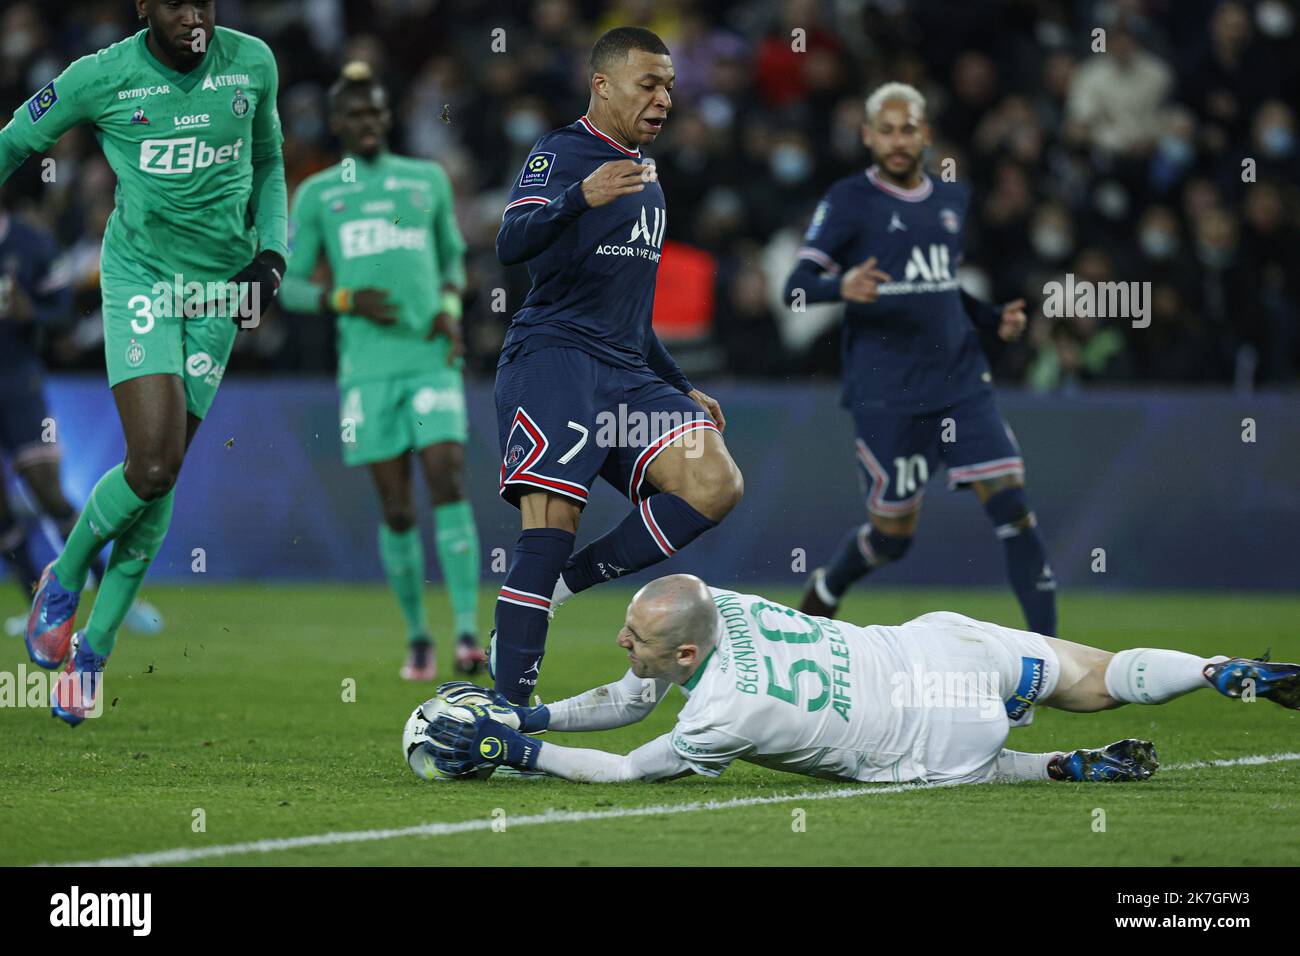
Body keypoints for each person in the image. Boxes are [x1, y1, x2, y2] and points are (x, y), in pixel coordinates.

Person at [0, 0, 287, 724]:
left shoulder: (253, 62)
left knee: (160, 486)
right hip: (143, 280)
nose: (194, 13)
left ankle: (91, 655)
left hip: (219, 293)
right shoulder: (101, 76)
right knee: (152, 462)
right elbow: (11, 142)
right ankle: (61, 581)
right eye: (176, 1)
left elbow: (269, 161)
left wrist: (273, 253)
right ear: (143, 8)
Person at [427, 574, 1298, 784]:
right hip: (944, 649)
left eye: (634, 634)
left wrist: (518, 747)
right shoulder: (715, 603)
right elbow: (632, 692)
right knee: (1101, 676)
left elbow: (624, 765)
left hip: (939, 726)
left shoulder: (727, 711)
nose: (621, 638)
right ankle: (1215, 668)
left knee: (938, 762)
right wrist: (536, 709)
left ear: (687, 655)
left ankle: (1058, 768)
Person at [491, 27, 743, 704]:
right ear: (602, 84)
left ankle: (566, 586)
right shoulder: (564, 152)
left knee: (714, 482)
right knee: (548, 529)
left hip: (627, 372)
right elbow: (509, 242)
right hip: (555, 357)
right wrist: (580, 197)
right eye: (647, 84)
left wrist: (677, 383)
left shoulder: (647, 182)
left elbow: (630, 314)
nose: (662, 99)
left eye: (669, 86)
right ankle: (509, 712)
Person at [783, 82, 1055, 635]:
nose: (898, 140)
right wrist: (841, 287)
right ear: (867, 136)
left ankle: (1048, 662)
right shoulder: (847, 200)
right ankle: (830, 585)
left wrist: (989, 316)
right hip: (888, 395)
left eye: (909, 129)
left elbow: (941, 286)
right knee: (891, 539)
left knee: (1013, 509)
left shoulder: (953, 197)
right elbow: (796, 285)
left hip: (961, 382)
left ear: (925, 134)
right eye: (886, 129)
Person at [281, 62, 485, 681]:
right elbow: (288, 285)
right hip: (368, 372)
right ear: (337, 123)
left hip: (430, 358)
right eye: (355, 115)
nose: (367, 123)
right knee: (397, 508)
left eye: (376, 112)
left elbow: (453, 261)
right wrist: (344, 299)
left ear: (388, 118)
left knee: (447, 477)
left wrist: (450, 311)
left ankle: (469, 635)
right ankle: (419, 635)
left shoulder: (426, 181)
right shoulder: (317, 195)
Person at [0, 185, 162, 638]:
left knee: (50, 495)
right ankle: (39, 606)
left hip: (17, 386)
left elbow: (66, 318)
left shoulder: (30, 245)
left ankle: (113, 595)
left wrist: (32, 311)